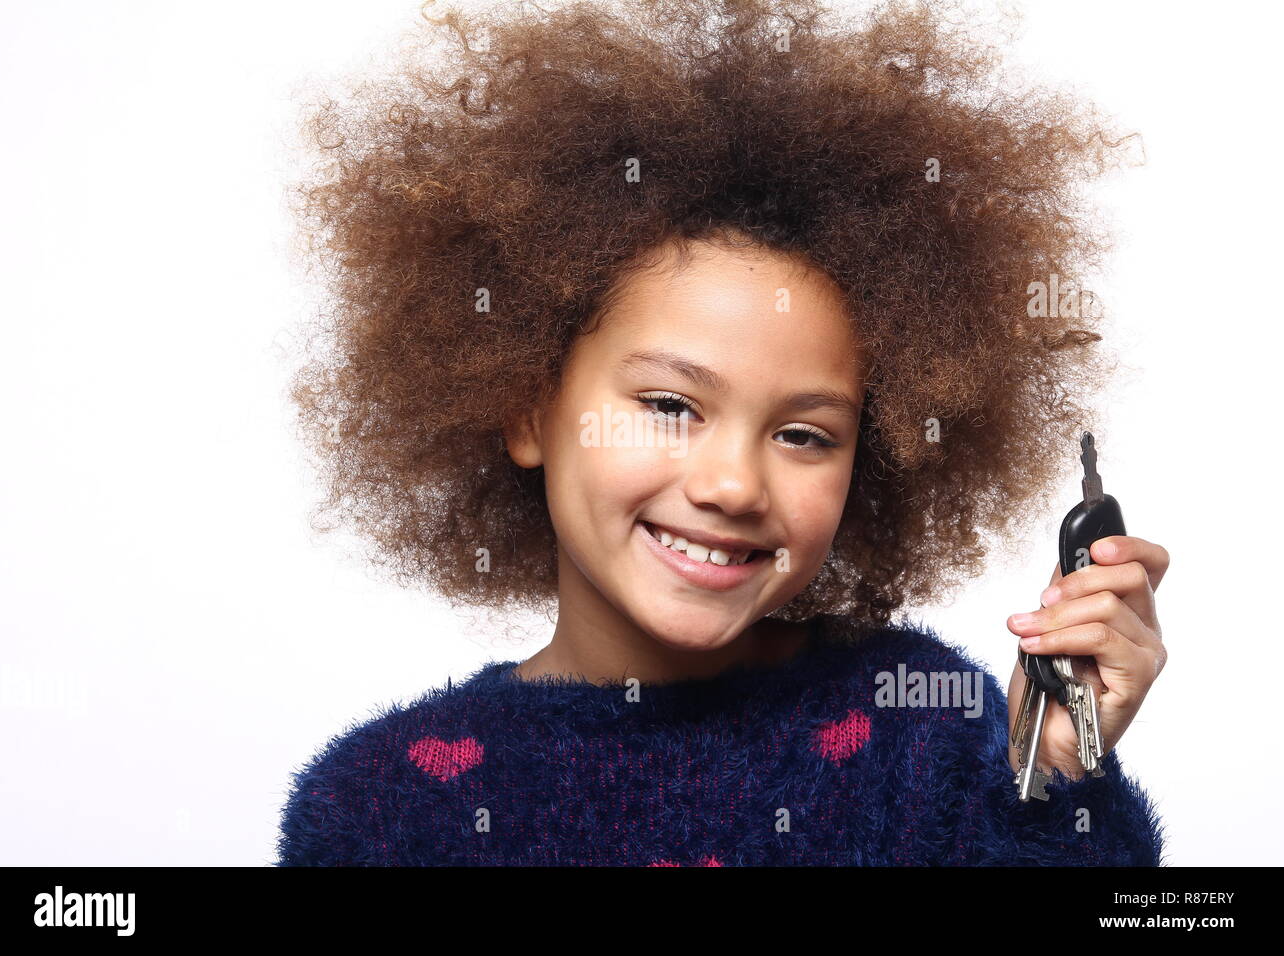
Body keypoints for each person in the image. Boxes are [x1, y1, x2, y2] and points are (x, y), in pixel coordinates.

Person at [276, 0, 1168, 866]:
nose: (734, 485)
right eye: (669, 407)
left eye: (805, 436)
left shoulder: (922, 732)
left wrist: (1052, 775)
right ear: (527, 407)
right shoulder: (381, 811)